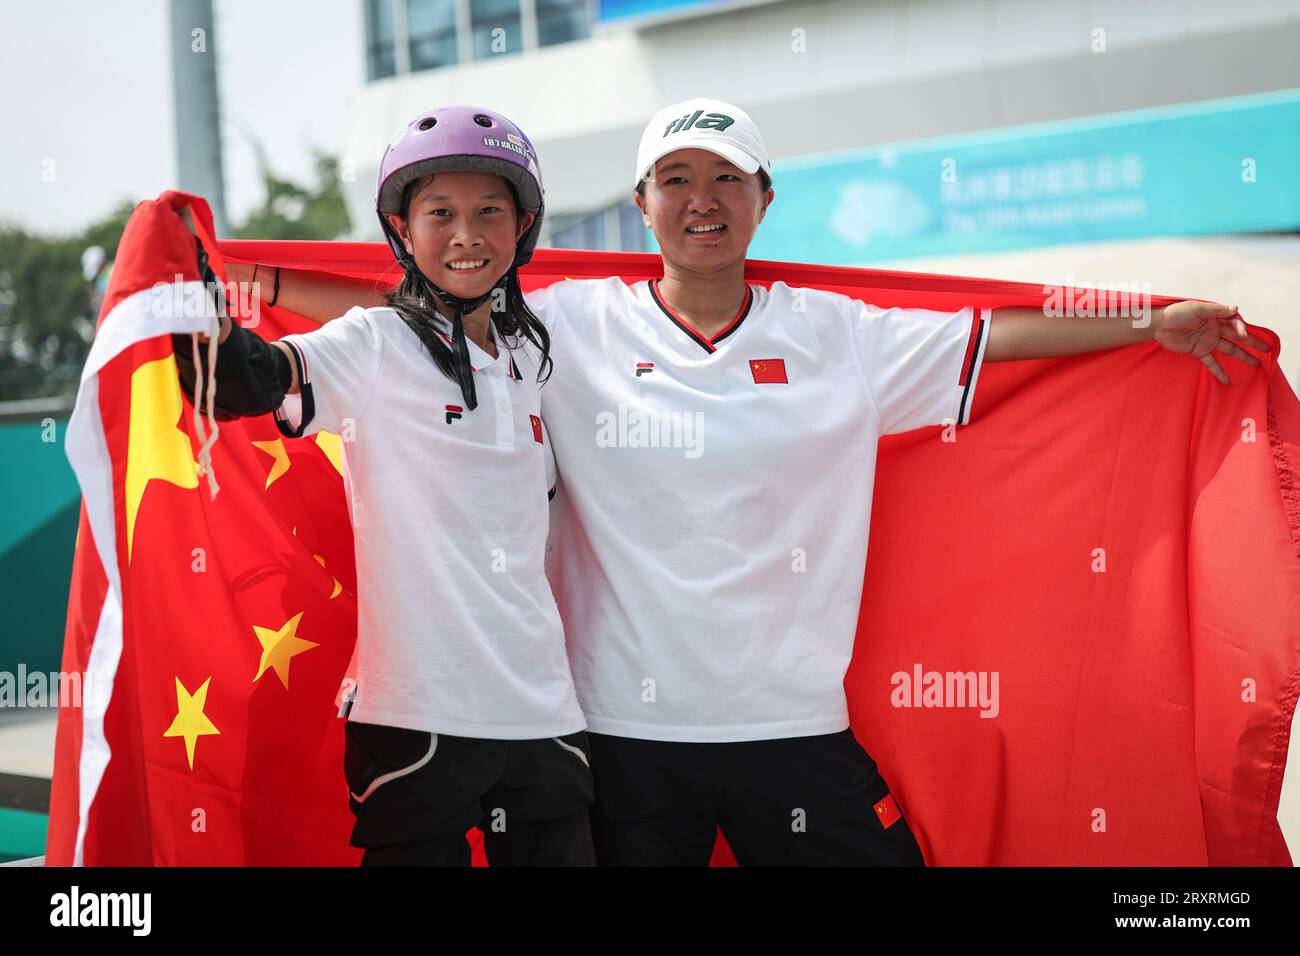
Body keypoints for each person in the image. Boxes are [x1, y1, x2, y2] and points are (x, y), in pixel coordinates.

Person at [233, 98, 1268, 866]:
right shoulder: (568, 329)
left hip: (793, 727)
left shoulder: (840, 336)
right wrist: (249, 278)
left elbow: (993, 337)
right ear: (640, 204)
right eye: (675, 180)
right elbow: (417, 301)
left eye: (727, 178)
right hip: (617, 733)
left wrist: (1146, 320)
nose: (701, 201)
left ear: (764, 200)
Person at [173, 106, 596, 867]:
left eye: (488, 211)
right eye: (439, 213)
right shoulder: (371, 345)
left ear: (524, 225)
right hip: (414, 715)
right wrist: (202, 320)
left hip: (544, 710)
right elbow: (256, 379)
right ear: (402, 230)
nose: (465, 233)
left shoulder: (541, 356)